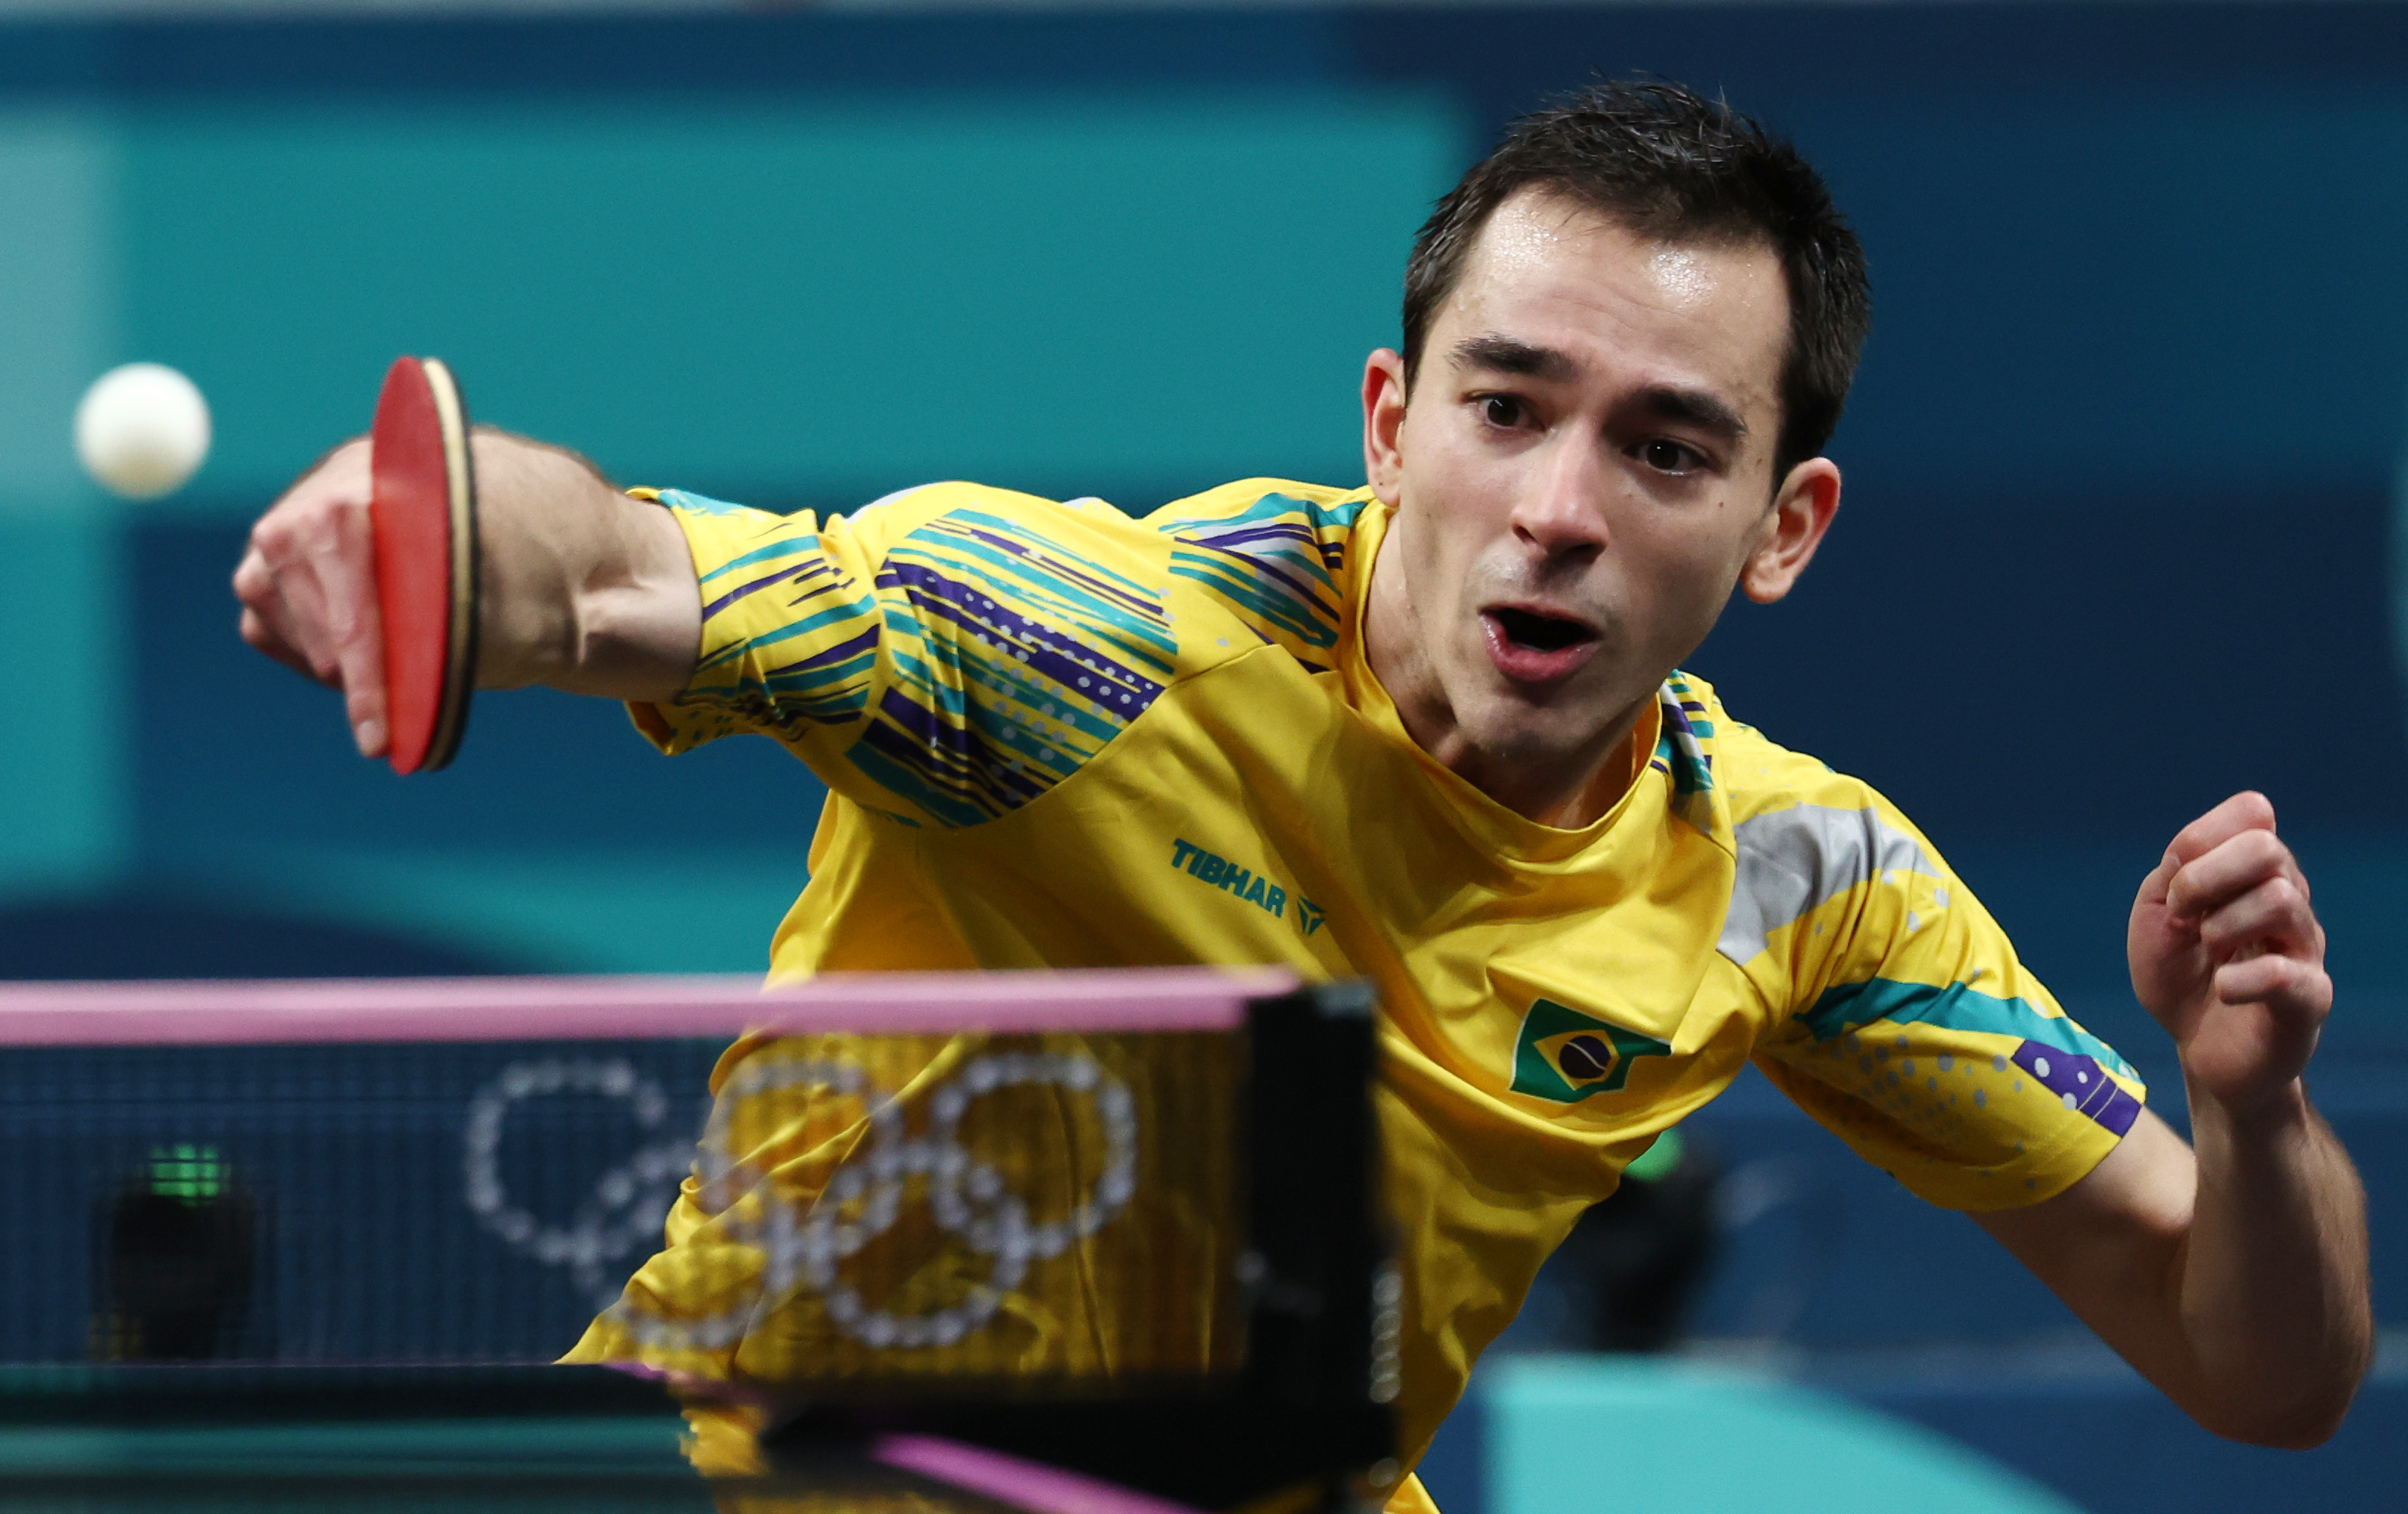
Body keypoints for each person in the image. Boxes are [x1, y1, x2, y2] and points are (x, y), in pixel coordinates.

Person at [234, 80, 2370, 1510]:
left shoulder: (1796, 881)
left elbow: (2257, 1372)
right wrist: (407, 521)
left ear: (1782, 525)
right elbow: (609, 568)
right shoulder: (1071, 644)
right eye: (1505, 409)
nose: (1551, 510)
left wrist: (2249, 1113)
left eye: (1660, 447)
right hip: (765, 1486)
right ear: (1387, 418)